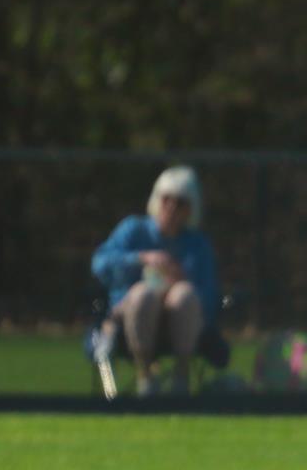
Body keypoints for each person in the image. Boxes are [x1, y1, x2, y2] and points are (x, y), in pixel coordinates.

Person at [90, 165, 225, 396]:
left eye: (180, 203)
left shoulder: (197, 246)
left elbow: (209, 297)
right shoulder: (133, 230)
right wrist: (141, 258)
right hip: (129, 320)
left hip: (181, 323)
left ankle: (181, 379)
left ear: (191, 209)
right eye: (166, 199)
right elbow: (100, 264)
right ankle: (146, 378)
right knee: (145, 294)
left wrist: (179, 281)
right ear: (156, 199)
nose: (171, 207)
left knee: (184, 294)